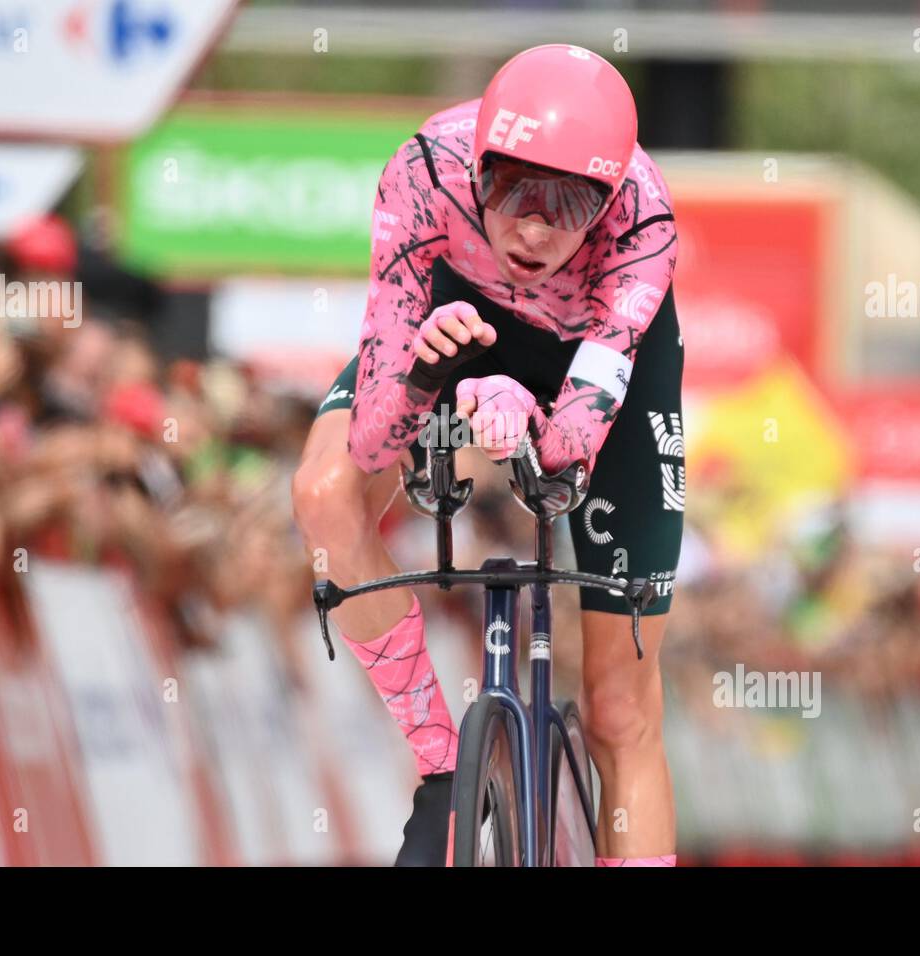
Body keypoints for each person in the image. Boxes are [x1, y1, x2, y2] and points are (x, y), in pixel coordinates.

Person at [292, 44, 683, 866]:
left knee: (620, 709)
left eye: (570, 203)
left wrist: (523, 423)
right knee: (325, 490)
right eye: (510, 190)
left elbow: (570, 459)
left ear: (609, 200)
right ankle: (441, 769)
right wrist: (432, 376)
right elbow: (373, 441)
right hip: (454, 326)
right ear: (475, 165)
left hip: (593, 366)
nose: (535, 228)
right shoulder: (422, 169)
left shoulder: (646, 220)